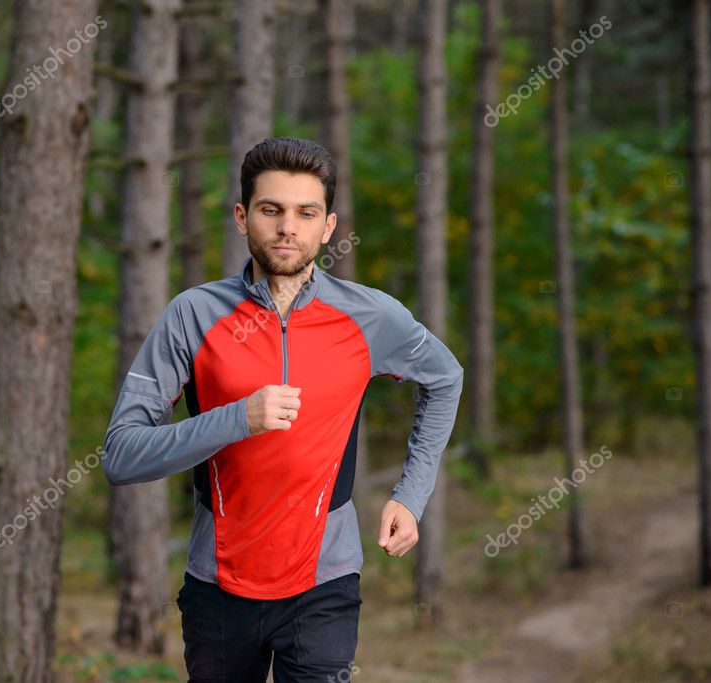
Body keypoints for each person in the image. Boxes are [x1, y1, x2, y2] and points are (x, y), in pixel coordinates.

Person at [102, 136, 464, 682]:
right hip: (218, 585)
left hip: (325, 582)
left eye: (305, 213)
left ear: (329, 225)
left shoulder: (370, 317)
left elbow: (445, 378)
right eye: (271, 210)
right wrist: (237, 418)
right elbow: (121, 455)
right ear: (243, 217)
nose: (287, 227)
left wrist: (411, 496)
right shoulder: (192, 315)